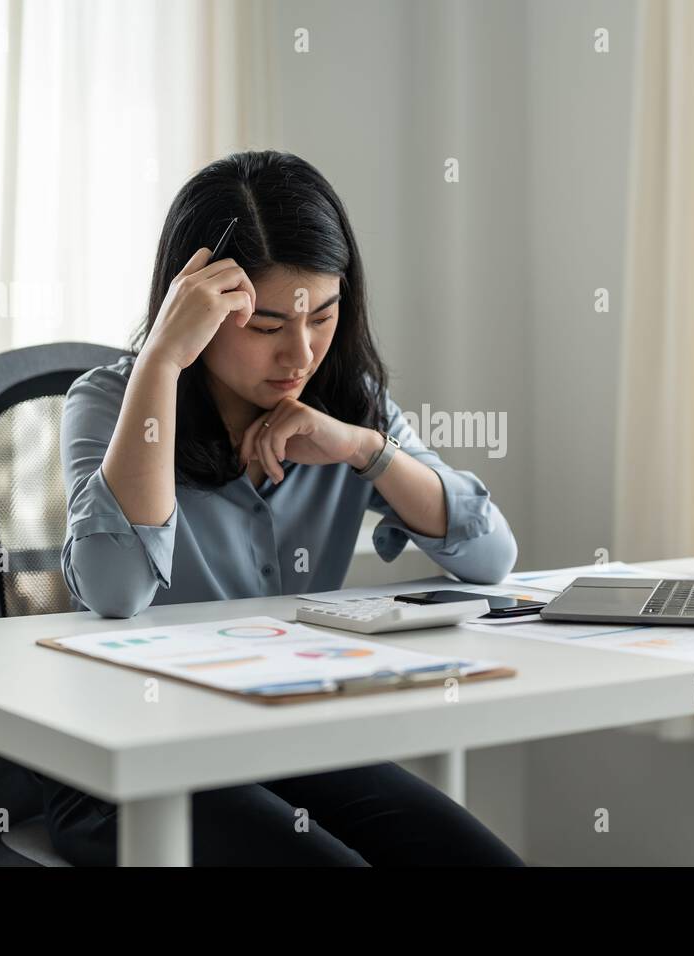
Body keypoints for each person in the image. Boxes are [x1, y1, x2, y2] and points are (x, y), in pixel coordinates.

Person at [42, 149, 523, 866]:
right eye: (266, 327)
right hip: (123, 757)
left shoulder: (347, 405)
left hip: (287, 737)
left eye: (322, 316)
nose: (300, 354)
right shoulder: (111, 401)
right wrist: (162, 365)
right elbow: (114, 591)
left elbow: (492, 555)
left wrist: (368, 450)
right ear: (194, 307)